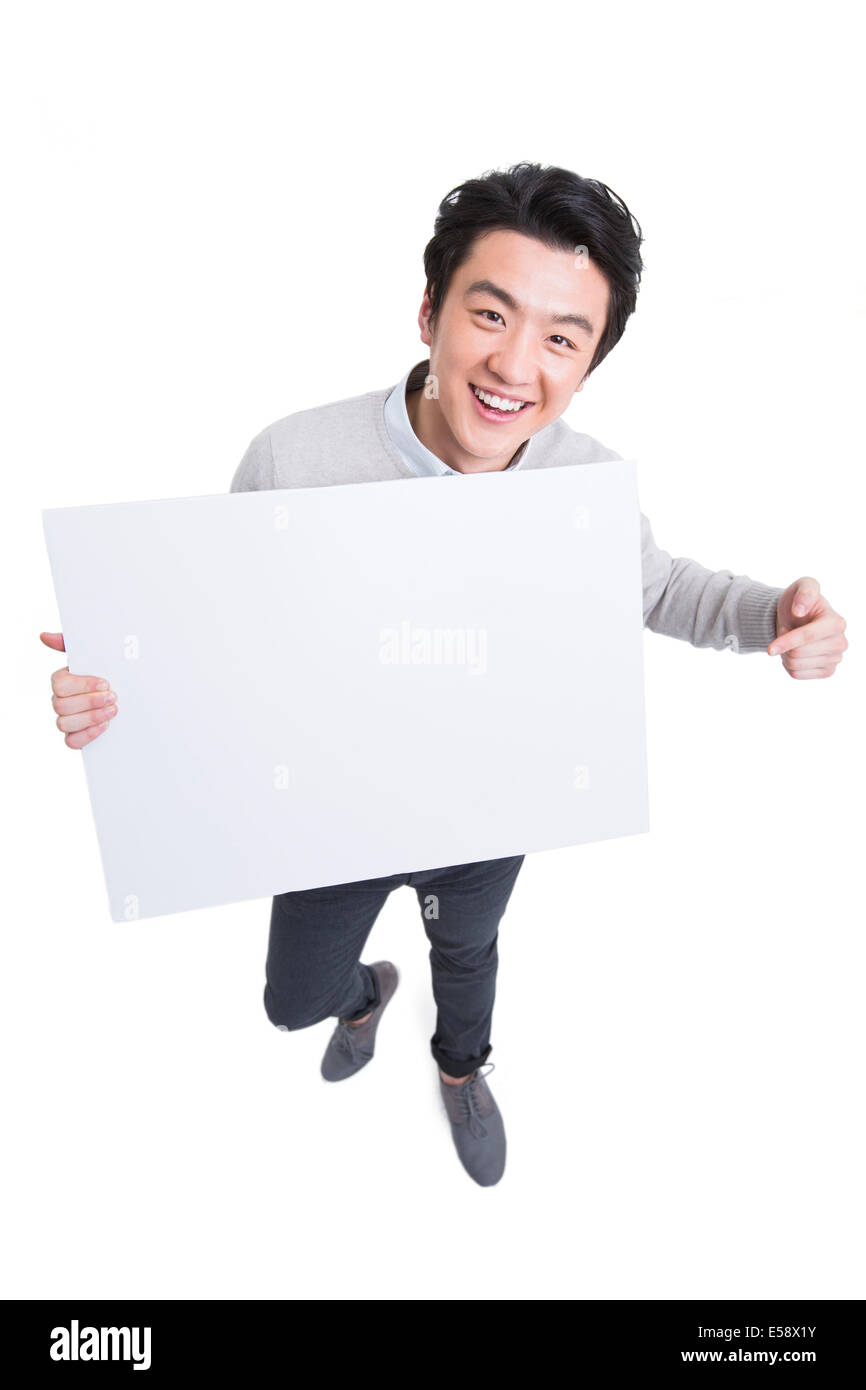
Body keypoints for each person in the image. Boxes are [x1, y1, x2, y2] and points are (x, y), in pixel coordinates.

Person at [40, 162, 848, 1188]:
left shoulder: (580, 482)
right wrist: (121, 686)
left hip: (481, 803)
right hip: (326, 813)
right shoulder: (294, 457)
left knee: (467, 957)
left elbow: (656, 590)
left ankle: (460, 1066)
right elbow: (216, 640)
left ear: (588, 361)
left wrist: (769, 613)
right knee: (291, 1000)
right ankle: (365, 991)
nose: (516, 364)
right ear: (428, 312)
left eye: (562, 337)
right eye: (489, 314)